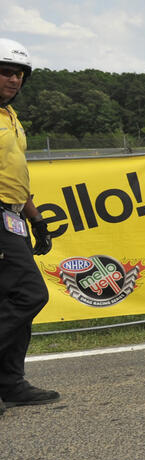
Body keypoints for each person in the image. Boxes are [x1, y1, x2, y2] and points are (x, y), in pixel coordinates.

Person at [0, 38, 58, 416]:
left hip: (13, 214)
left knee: (11, 301)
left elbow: (15, 175)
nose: (14, 80)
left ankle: (10, 383)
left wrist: (36, 220)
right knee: (30, 294)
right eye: (5, 72)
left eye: (19, 74)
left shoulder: (10, 117)